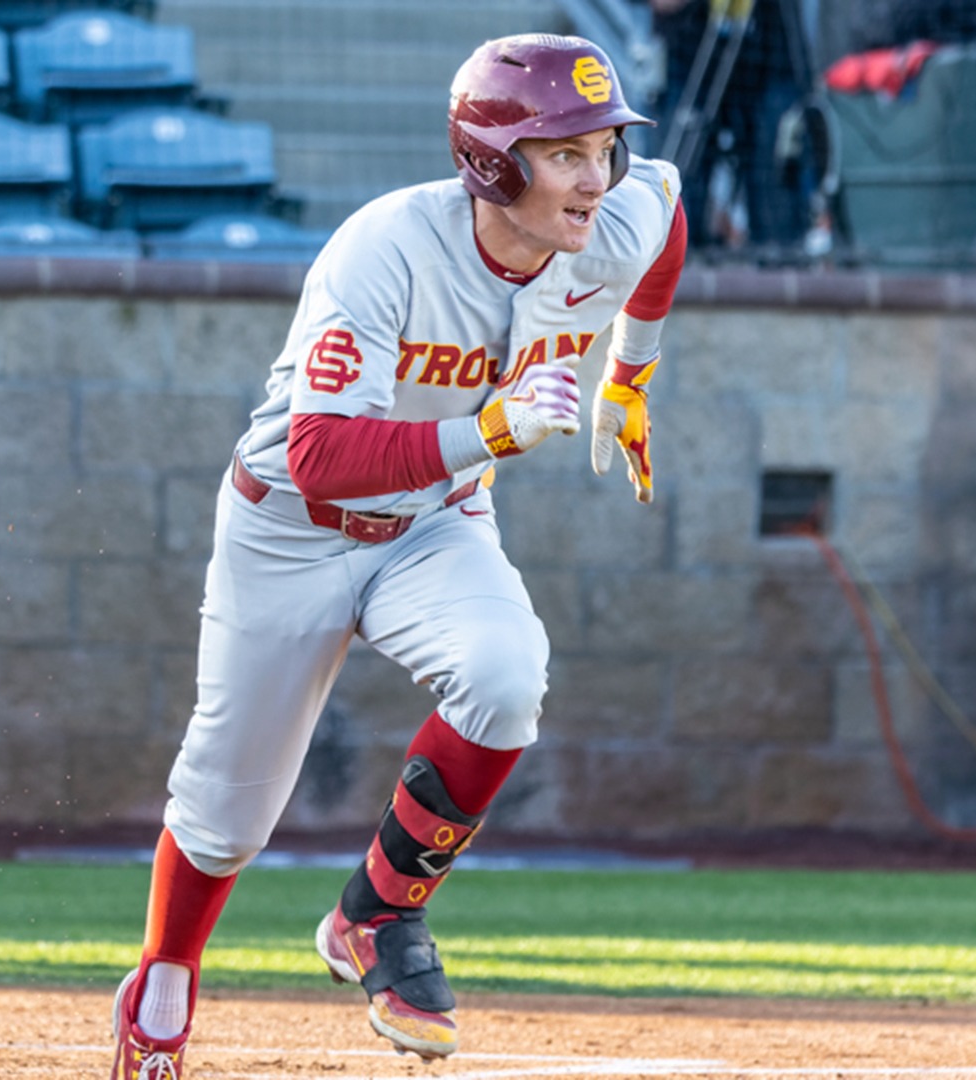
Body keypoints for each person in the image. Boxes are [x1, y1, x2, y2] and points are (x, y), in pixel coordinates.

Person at [109, 33, 688, 1080]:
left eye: (603, 146)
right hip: (292, 527)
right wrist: (490, 431)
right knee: (228, 810)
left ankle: (375, 916)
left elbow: (668, 215)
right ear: (492, 162)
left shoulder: (609, 220)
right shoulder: (385, 248)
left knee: (508, 678)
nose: (597, 177)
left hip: (434, 522)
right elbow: (320, 456)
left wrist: (629, 376)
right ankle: (165, 972)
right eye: (565, 153)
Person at [652, 0, 809, 253]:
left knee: (774, 178)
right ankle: (679, 268)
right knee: (679, 180)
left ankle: (780, 271)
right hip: (689, 50)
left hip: (769, 51)